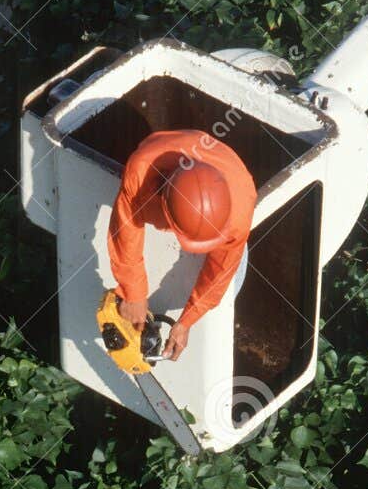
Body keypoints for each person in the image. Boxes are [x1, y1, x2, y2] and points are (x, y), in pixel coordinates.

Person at [107, 130, 256, 360]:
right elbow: (125, 231)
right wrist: (133, 292)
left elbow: (220, 270)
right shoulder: (141, 172)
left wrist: (187, 321)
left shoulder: (240, 209)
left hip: (224, 168)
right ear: (164, 206)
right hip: (159, 149)